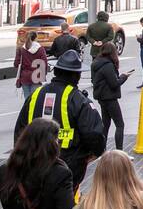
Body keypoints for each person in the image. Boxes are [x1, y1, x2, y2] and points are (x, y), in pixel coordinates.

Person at [15, 49, 106, 193]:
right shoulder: (79, 100)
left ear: (56, 71)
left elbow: (20, 132)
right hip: (67, 169)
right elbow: (95, 135)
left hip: (32, 168)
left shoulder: (35, 96)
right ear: (77, 75)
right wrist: (92, 154)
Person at [92, 45, 130, 153]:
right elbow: (114, 83)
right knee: (120, 124)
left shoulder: (96, 63)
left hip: (101, 98)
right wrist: (124, 76)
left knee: (106, 124)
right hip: (110, 98)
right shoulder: (108, 65)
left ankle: (102, 151)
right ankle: (119, 152)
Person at [14, 32, 48, 102]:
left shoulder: (21, 49)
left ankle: (27, 112)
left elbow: (16, 64)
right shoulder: (40, 49)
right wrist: (44, 75)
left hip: (24, 77)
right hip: (36, 77)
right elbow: (44, 64)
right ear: (36, 38)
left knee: (27, 100)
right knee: (35, 100)